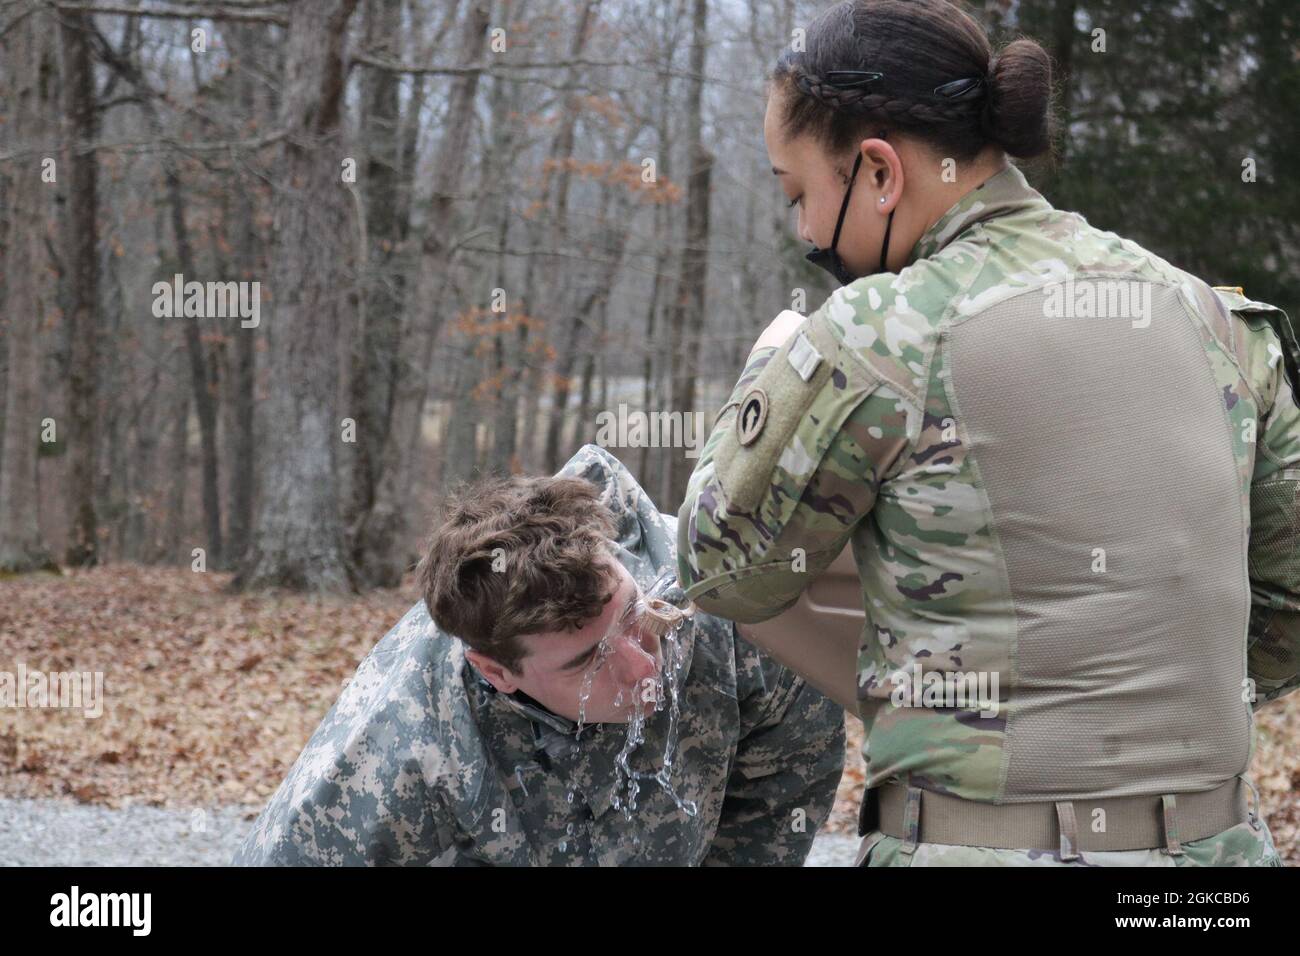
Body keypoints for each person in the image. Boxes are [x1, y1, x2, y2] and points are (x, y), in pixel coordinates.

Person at [676, 0, 1297, 866]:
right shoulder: (1220, 323)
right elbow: (1290, 602)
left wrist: (773, 363)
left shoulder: (877, 333)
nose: (806, 231)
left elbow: (722, 570)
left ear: (880, 172)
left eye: (799, 194)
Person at [232, 444, 845, 866]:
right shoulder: (407, 741)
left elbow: (788, 776)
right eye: (587, 661)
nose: (642, 667)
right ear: (496, 673)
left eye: (635, 617)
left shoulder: (731, 611)